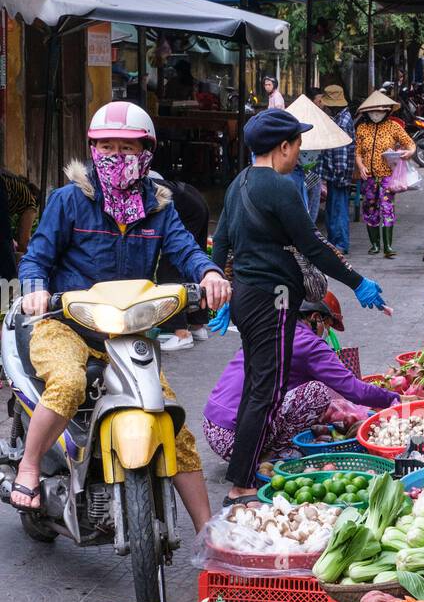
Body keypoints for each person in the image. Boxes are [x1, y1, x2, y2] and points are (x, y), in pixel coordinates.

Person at [13, 101, 229, 527]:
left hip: (129, 333)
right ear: (92, 149)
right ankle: (30, 465)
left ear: (146, 152)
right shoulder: (68, 200)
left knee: (171, 422)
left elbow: (186, 249)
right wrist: (36, 291)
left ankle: (208, 535)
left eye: (128, 149)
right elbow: (36, 257)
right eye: (107, 147)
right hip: (66, 324)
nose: (117, 157)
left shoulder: (160, 207)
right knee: (69, 383)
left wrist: (210, 273)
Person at [210, 107, 387, 504]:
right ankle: (240, 485)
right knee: (266, 390)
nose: (300, 155)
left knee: (260, 384)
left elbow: (220, 241)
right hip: (272, 298)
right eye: (299, 146)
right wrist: (358, 283)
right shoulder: (279, 186)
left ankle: (245, 471)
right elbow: (311, 245)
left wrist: (223, 286)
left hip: (248, 296)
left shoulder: (238, 183)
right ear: (284, 146)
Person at [202, 297, 395, 463]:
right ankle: (273, 453)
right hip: (235, 438)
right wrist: (392, 399)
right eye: (326, 326)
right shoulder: (309, 343)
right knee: (316, 392)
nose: (326, 333)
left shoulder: (272, 326)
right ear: (315, 318)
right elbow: (355, 390)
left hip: (213, 427)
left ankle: (267, 450)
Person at [354, 89, 416, 258]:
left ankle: (388, 246)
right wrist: (360, 167)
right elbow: (358, 152)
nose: (376, 113)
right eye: (373, 110)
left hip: (388, 176)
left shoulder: (393, 127)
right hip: (369, 177)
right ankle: (374, 245)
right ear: (367, 112)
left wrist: (408, 153)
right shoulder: (362, 128)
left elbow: (410, 144)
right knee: (369, 208)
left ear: (386, 111)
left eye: (380, 110)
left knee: (387, 208)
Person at [153, 174, 211, 351]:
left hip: (184, 208)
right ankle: (197, 325)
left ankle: (181, 333)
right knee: (192, 259)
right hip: (195, 200)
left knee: (170, 268)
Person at [319, 84, 355, 254]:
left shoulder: (343, 120)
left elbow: (341, 151)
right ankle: (335, 242)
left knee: (338, 210)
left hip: (338, 175)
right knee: (334, 209)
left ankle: (340, 244)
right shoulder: (340, 118)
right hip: (336, 174)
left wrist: (338, 172)